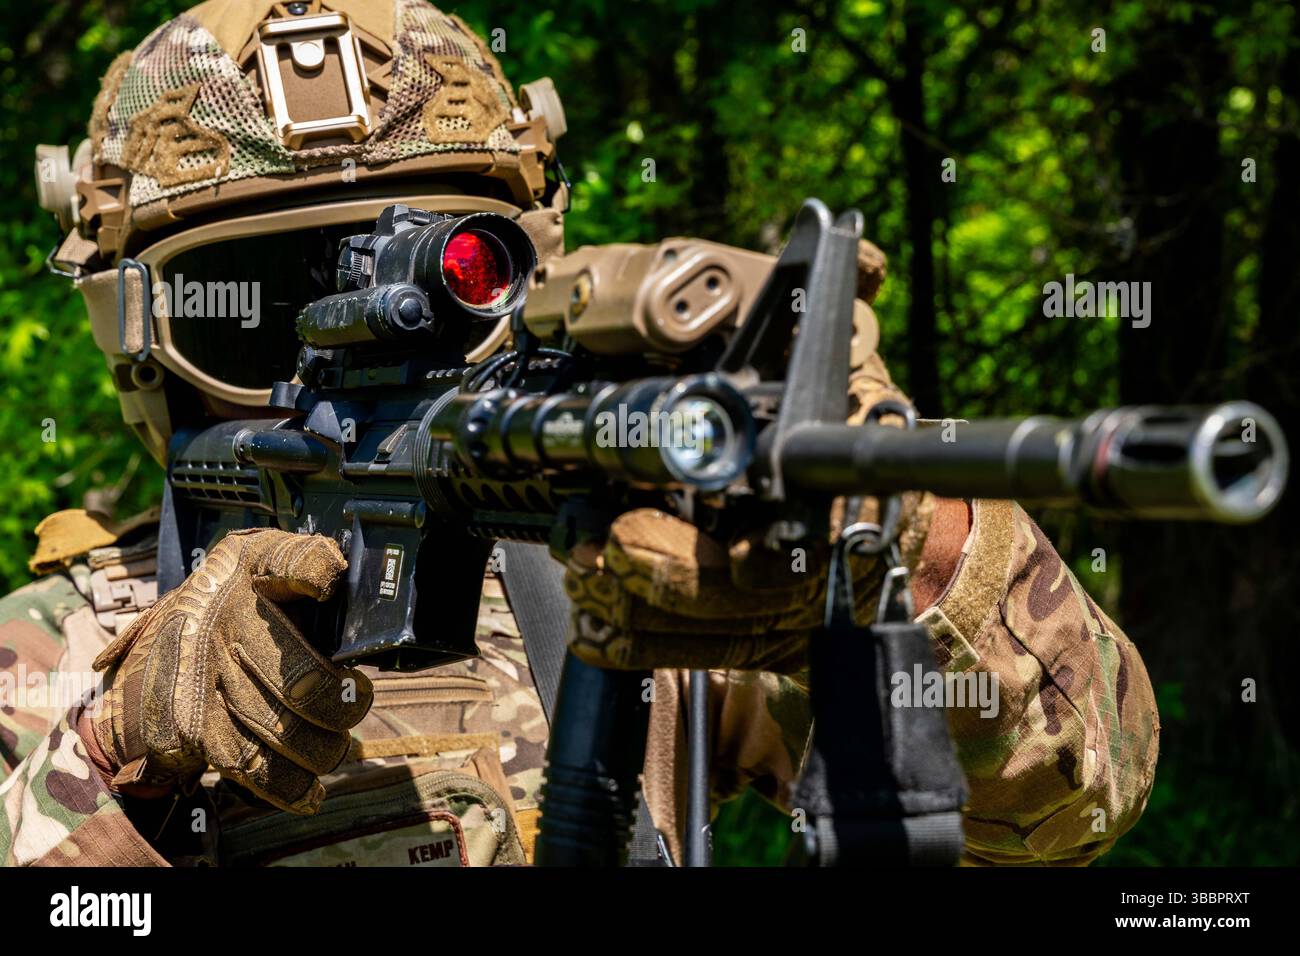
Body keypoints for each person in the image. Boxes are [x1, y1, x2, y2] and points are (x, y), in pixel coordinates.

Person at [0, 0, 1157, 867]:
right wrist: (113, 748)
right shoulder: (40, 661)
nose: (353, 357)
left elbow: (1075, 800)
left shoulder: (631, 573)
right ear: (136, 332)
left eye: (453, 270)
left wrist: (904, 544)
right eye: (252, 304)